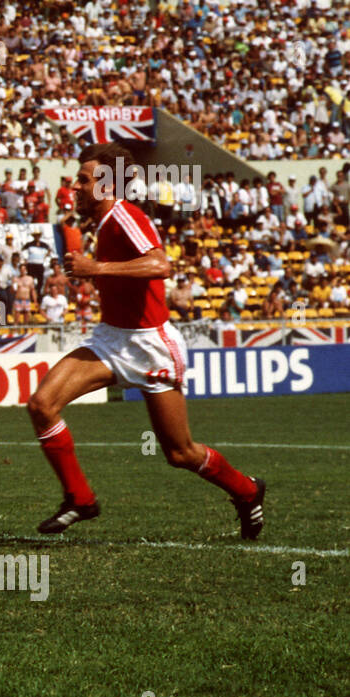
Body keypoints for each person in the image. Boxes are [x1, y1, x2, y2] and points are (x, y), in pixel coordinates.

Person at [26, 144, 264, 538]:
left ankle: (247, 490)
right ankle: (80, 499)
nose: (76, 186)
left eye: (84, 180)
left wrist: (95, 267)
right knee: (41, 405)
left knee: (179, 453)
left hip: (151, 344)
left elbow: (161, 263)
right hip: (111, 339)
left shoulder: (125, 215)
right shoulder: (102, 224)